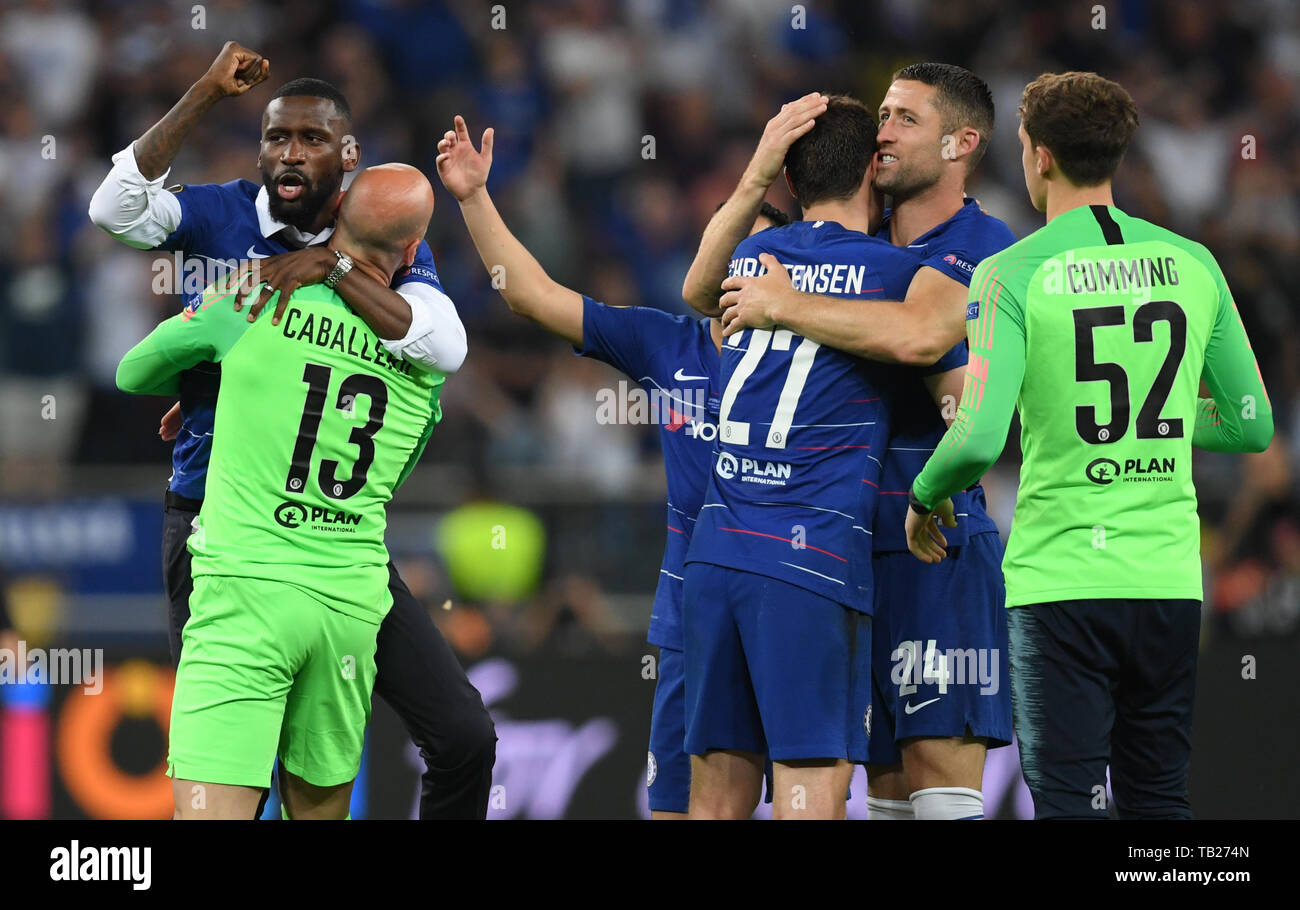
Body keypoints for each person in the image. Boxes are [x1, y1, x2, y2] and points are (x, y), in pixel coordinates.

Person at [87, 41, 494, 818]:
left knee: (463, 736)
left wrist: (328, 268)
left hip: (332, 544)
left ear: (349, 154)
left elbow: (445, 344)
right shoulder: (223, 214)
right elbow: (114, 209)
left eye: (311, 139)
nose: (290, 154)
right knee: (236, 770)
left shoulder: (380, 237)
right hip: (215, 523)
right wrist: (204, 91)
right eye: (277, 137)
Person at [905, 71, 1273, 819]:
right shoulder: (1193, 262)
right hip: (1168, 580)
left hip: (1062, 582)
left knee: (1070, 803)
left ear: (1039, 157)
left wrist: (923, 498)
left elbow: (976, 439)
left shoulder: (1011, 273)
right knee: (1160, 804)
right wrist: (1158, 416)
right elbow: (1250, 421)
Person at [434, 113, 789, 817]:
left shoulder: (821, 359)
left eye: (758, 252)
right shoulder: (666, 344)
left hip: (793, 600)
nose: (738, 266)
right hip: (692, 614)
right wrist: (474, 197)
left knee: (811, 799)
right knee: (677, 807)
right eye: (727, 248)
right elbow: (529, 294)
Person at [685, 65, 1015, 820]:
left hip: (932, 542)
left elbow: (923, 334)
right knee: (880, 778)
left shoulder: (978, 241)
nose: (885, 131)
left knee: (934, 770)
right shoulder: (865, 246)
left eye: (904, 118)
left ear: (962, 143)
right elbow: (707, 297)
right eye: (883, 117)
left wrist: (785, 303)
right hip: (841, 549)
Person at [117, 163, 442, 819]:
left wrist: (217, 381)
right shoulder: (427, 364)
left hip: (244, 589)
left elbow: (134, 371)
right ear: (412, 254)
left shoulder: (252, 298)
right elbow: (392, 475)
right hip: (346, 606)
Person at [681, 95, 926, 820]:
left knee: (716, 799)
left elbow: (697, 290)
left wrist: (755, 169)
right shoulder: (894, 273)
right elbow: (923, 340)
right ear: (873, 176)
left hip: (718, 553)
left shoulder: (757, 254)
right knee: (810, 789)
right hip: (810, 561)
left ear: (789, 184)